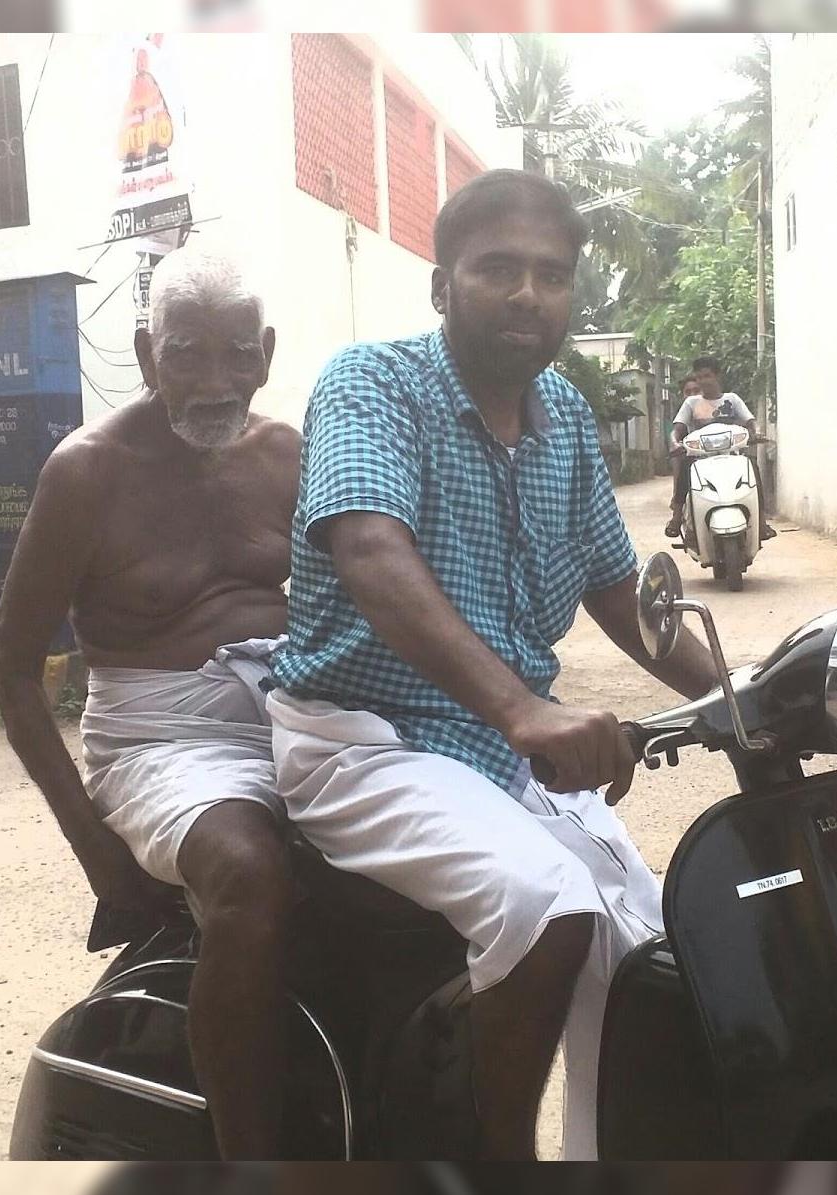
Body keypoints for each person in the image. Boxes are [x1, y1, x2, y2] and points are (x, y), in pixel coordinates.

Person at [266, 169, 726, 1160]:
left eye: (551, 275)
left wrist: (736, 696)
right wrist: (523, 709)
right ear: (443, 285)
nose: (528, 294)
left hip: (496, 750)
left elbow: (616, 587)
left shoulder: (561, 414)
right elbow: (369, 549)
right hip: (364, 741)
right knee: (547, 903)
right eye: (499, 269)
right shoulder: (373, 383)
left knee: (654, 951)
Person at [0, 247, 301, 1159]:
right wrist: (97, 853)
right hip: (161, 740)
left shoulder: (287, 453)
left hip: (292, 711)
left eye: (237, 353)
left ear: (267, 353)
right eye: (186, 353)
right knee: (246, 873)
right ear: (143, 353)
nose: (215, 381)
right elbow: (13, 669)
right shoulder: (87, 471)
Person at [662, 356, 775, 541]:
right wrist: (675, 442)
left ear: (717, 376)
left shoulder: (732, 399)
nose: (703, 381)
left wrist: (757, 432)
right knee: (685, 468)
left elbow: (751, 421)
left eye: (707, 376)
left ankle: (761, 522)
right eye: (699, 377)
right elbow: (677, 429)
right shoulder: (691, 403)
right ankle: (676, 516)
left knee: (752, 467)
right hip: (699, 459)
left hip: (732, 456)